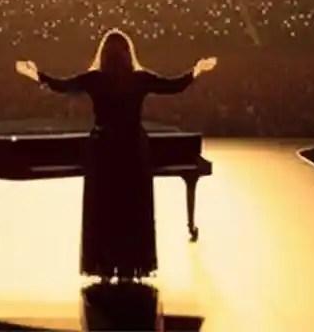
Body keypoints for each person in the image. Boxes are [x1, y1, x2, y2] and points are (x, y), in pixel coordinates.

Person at [15, 29, 217, 283]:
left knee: (103, 209)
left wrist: (35, 74)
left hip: (103, 149)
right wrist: (197, 70)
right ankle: (131, 266)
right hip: (133, 149)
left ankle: (103, 265)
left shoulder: (94, 80)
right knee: (133, 209)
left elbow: (62, 86)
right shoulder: (140, 79)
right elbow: (173, 86)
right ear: (128, 53)